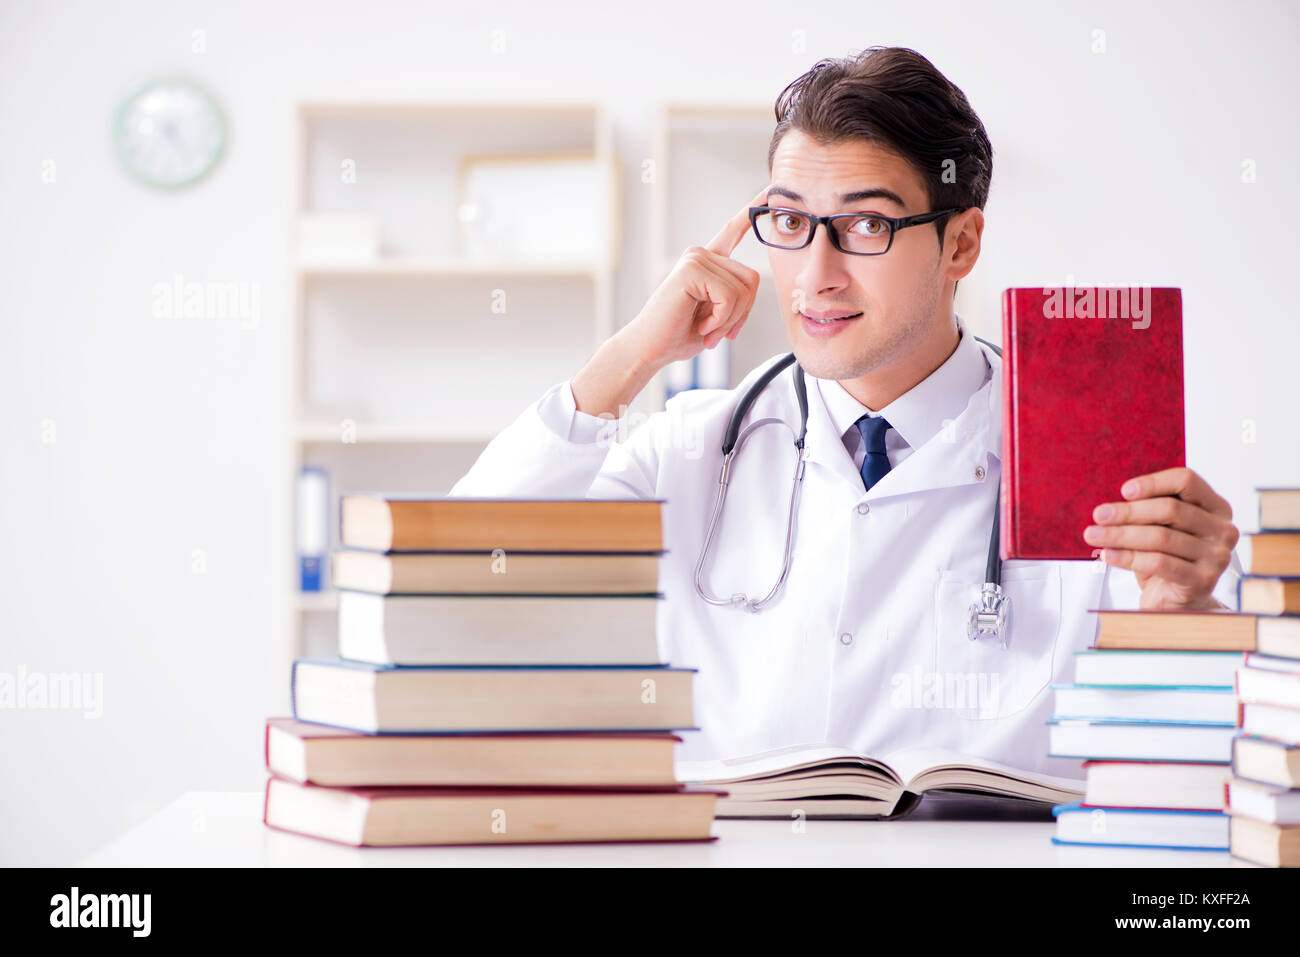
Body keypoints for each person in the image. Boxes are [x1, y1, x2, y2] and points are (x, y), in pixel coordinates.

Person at [450, 46, 1243, 774]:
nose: (815, 276)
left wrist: (1191, 611)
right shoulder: (690, 451)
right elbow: (462, 594)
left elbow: (1207, 760)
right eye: (791, 224)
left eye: (866, 224)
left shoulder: (1096, 467)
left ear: (961, 245)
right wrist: (629, 359)